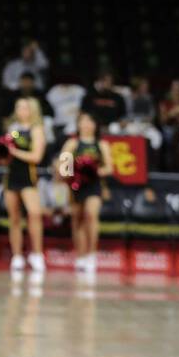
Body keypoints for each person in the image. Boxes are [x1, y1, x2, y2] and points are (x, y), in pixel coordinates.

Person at [59, 111, 113, 275]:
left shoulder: (101, 144)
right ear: (78, 124)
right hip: (76, 185)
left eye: (90, 121)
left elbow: (109, 168)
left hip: (94, 185)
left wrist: (93, 171)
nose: (87, 125)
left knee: (91, 215)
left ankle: (92, 254)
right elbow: (64, 168)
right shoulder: (71, 144)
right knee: (78, 219)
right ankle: (80, 255)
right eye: (83, 121)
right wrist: (75, 173)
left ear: (95, 125)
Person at [1, 96, 47, 273]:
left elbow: (36, 156)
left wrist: (14, 151)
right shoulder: (12, 129)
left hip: (28, 176)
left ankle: (36, 254)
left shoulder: (36, 129)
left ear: (32, 110)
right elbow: (6, 154)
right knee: (14, 218)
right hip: (11, 175)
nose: (20, 110)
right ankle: (17, 255)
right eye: (18, 107)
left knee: (34, 214)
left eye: (24, 107)